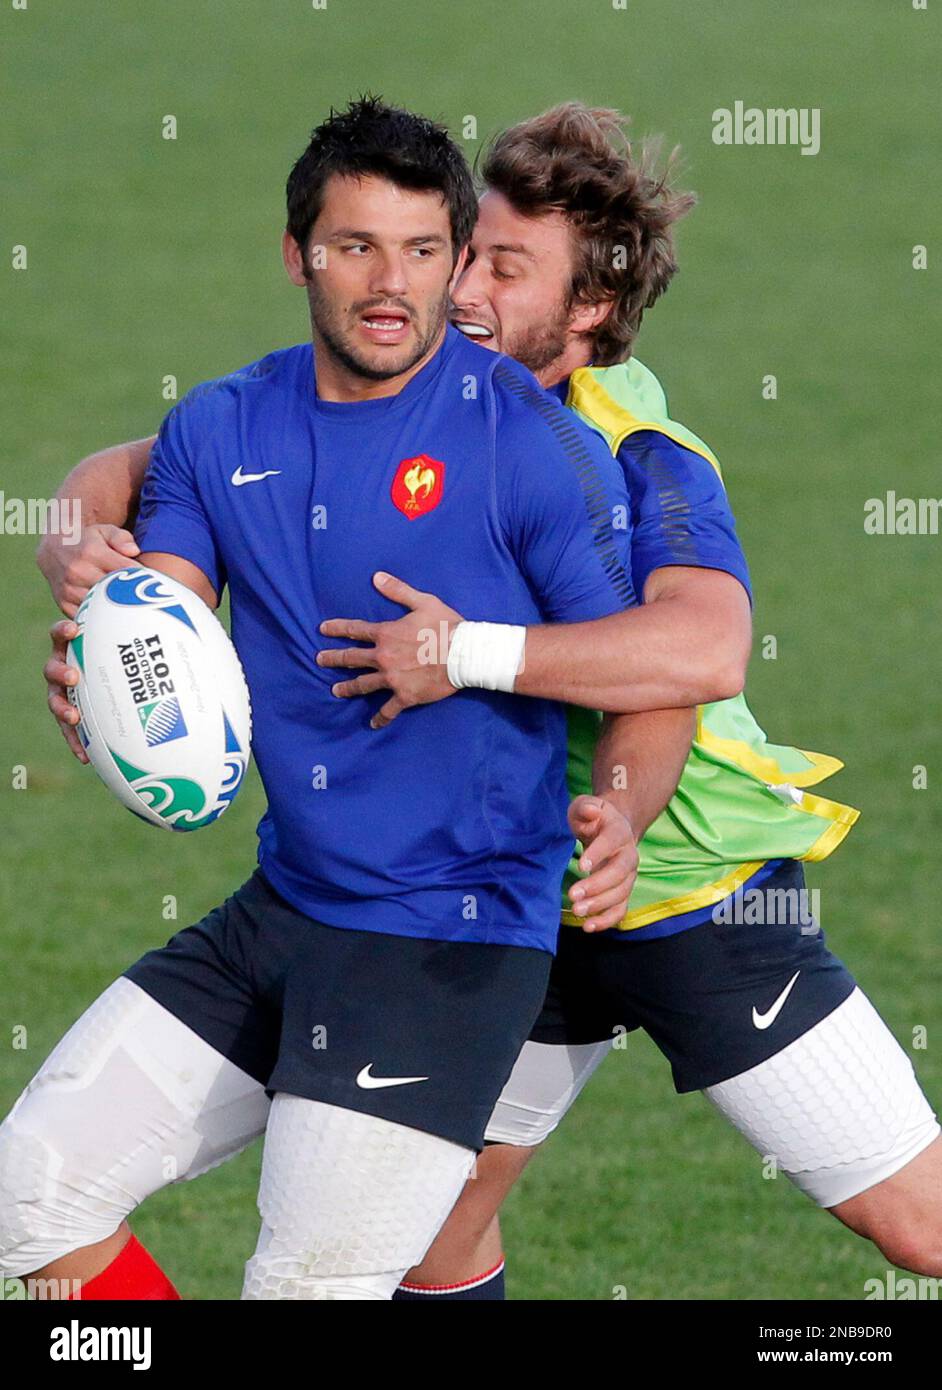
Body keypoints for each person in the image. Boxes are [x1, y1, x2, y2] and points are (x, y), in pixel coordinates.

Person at [0, 97, 654, 1302]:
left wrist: (623, 801)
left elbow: (649, 661)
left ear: (458, 261)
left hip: (444, 940)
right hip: (286, 907)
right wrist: (105, 642)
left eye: (419, 251)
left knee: (306, 1286)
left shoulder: (532, 447)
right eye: (355, 246)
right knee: (29, 1195)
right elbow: (171, 608)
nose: (389, 283)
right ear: (296, 253)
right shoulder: (218, 424)